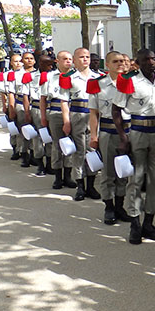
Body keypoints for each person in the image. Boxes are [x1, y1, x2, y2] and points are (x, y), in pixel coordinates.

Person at [112, 48, 155, 245]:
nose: (151, 62)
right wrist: (123, 137)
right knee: (136, 180)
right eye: (146, 59)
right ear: (137, 62)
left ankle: (149, 221)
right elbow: (116, 109)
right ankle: (134, 223)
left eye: (153, 58)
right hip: (137, 131)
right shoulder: (129, 80)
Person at [88, 52, 131, 225]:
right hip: (107, 131)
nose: (120, 64)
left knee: (124, 171)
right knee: (108, 172)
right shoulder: (97, 84)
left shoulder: (131, 83)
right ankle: (109, 207)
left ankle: (120, 206)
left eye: (122, 61)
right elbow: (93, 113)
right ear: (108, 63)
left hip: (128, 130)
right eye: (115, 61)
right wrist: (94, 135)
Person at [58, 48, 102, 201]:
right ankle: (80, 186)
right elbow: (64, 101)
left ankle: (91, 184)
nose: (85, 59)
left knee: (92, 150)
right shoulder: (68, 77)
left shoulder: (99, 77)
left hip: (94, 115)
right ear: (75, 60)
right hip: (77, 114)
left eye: (87, 57)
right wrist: (66, 121)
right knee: (79, 151)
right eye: (81, 57)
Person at [42, 51, 76, 189]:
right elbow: (43, 98)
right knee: (57, 144)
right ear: (57, 61)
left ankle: (68, 175)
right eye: (64, 59)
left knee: (69, 144)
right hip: (55, 113)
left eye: (70, 59)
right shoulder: (50, 77)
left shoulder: (76, 76)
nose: (68, 61)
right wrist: (43, 117)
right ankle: (57, 176)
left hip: (72, 112)